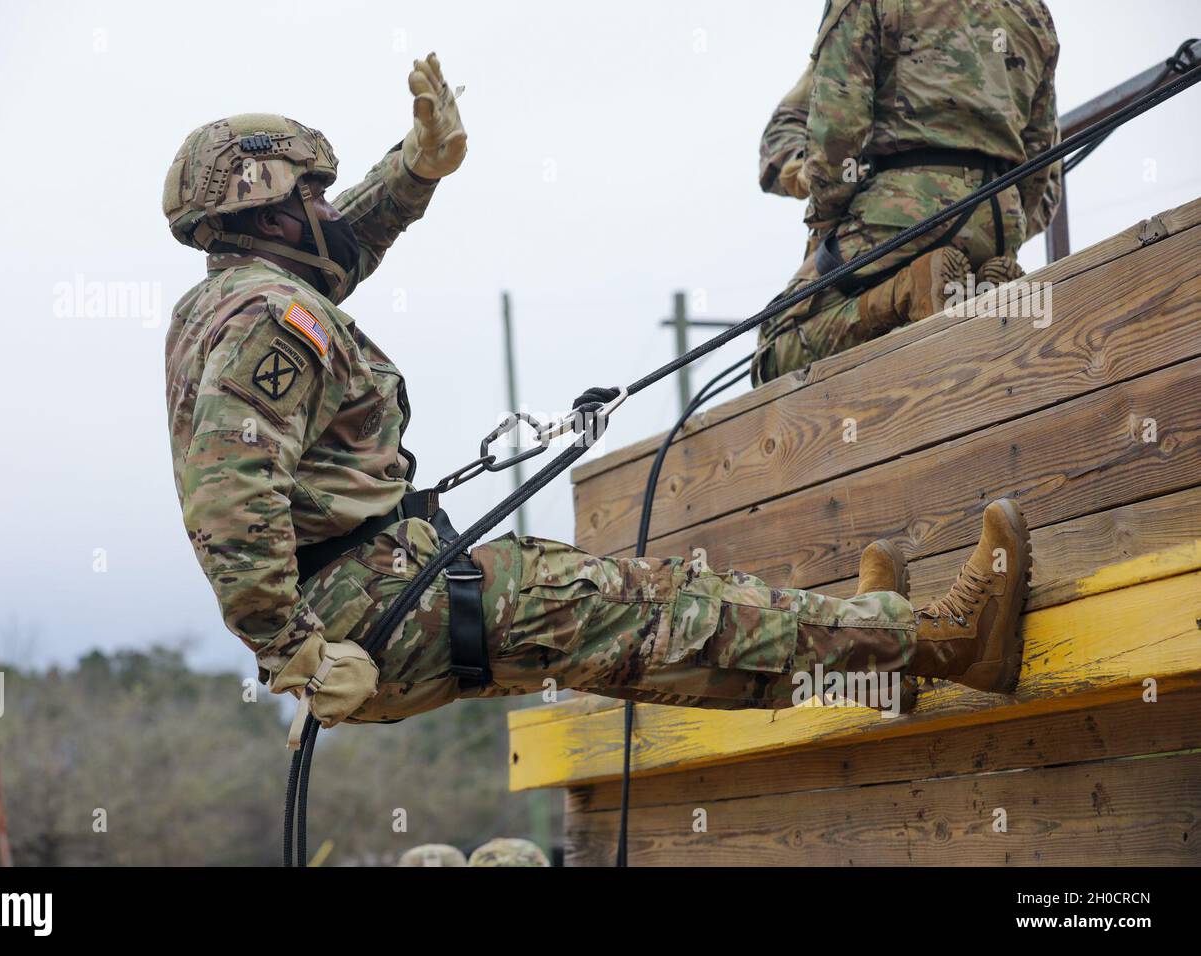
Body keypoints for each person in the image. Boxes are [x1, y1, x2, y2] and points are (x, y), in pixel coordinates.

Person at [161, 53, 1032, 739]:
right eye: (308, 192)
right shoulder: (269, 318)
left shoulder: (239, 294)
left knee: (646, 646)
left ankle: (880, 653)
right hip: (367, 607)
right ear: (262, 209)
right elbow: (231, 503)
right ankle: (950, 643)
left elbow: (342, 245)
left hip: (372, 601)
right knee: (657, 609)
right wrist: (297, 654)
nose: (324, 209)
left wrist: (415, 170)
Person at [751, 0, 1062, 385]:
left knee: (775, 348)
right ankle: (986, 282)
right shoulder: (1032, 10)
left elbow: (837, 129)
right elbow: (1042, 156)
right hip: (1001, 213)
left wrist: (828, 228)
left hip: (903, 204)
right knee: (921, 326)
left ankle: (906, 291)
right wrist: (1003, 234)